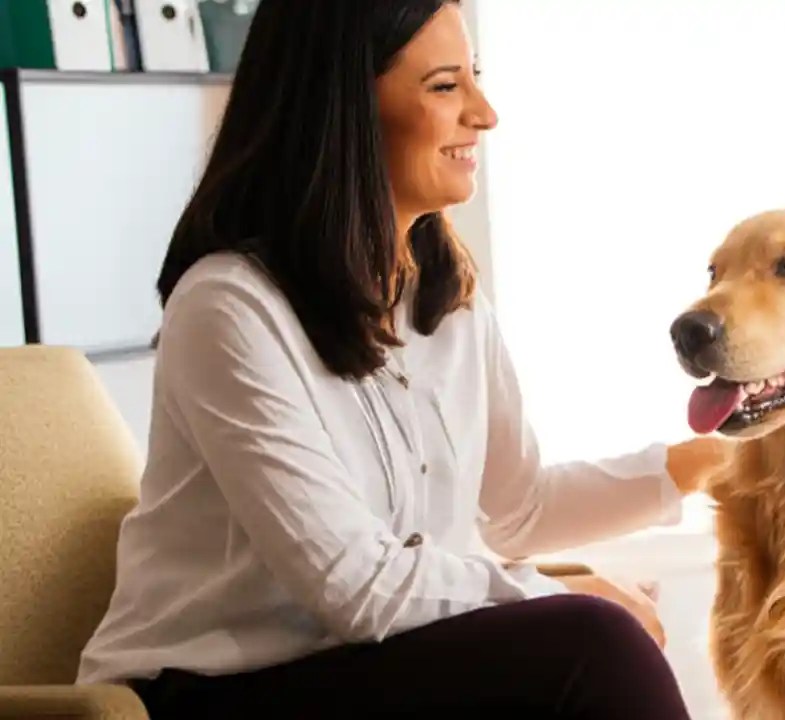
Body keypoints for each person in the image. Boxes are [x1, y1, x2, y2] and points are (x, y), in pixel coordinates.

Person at [75, 2, 728, 717]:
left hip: (366, 667)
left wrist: (702, 465)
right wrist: (557, 591)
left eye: (473, 78)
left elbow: (519, 506)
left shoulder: (446, 298)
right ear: (346, 109)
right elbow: (356, 586)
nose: (484, 113)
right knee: (592, 642)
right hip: (211, 691)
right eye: (446, 86)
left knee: (589, 638)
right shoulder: (228, 309)